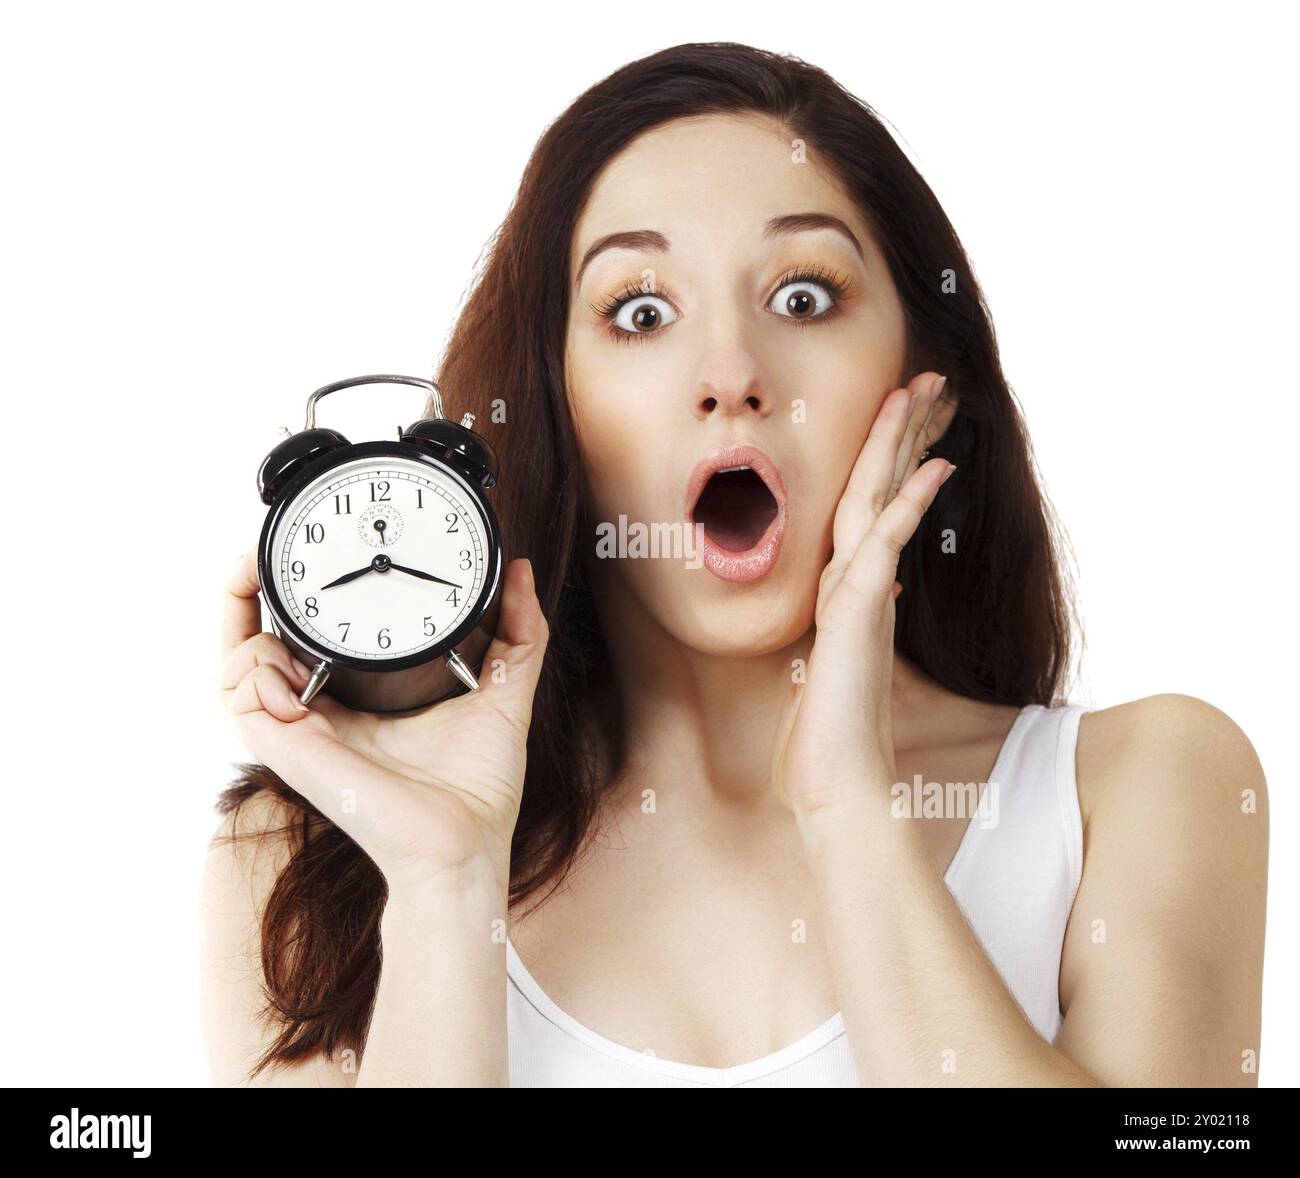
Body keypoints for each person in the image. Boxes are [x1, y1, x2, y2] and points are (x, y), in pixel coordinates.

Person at [202, 42, 1267, 1088]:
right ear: (554, 401)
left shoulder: (1140, 789)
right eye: (641, 311)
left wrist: (848, 806)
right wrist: (442, 881)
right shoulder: (306, 859)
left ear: (925, 383)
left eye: (803, 296)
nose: (730, 376)